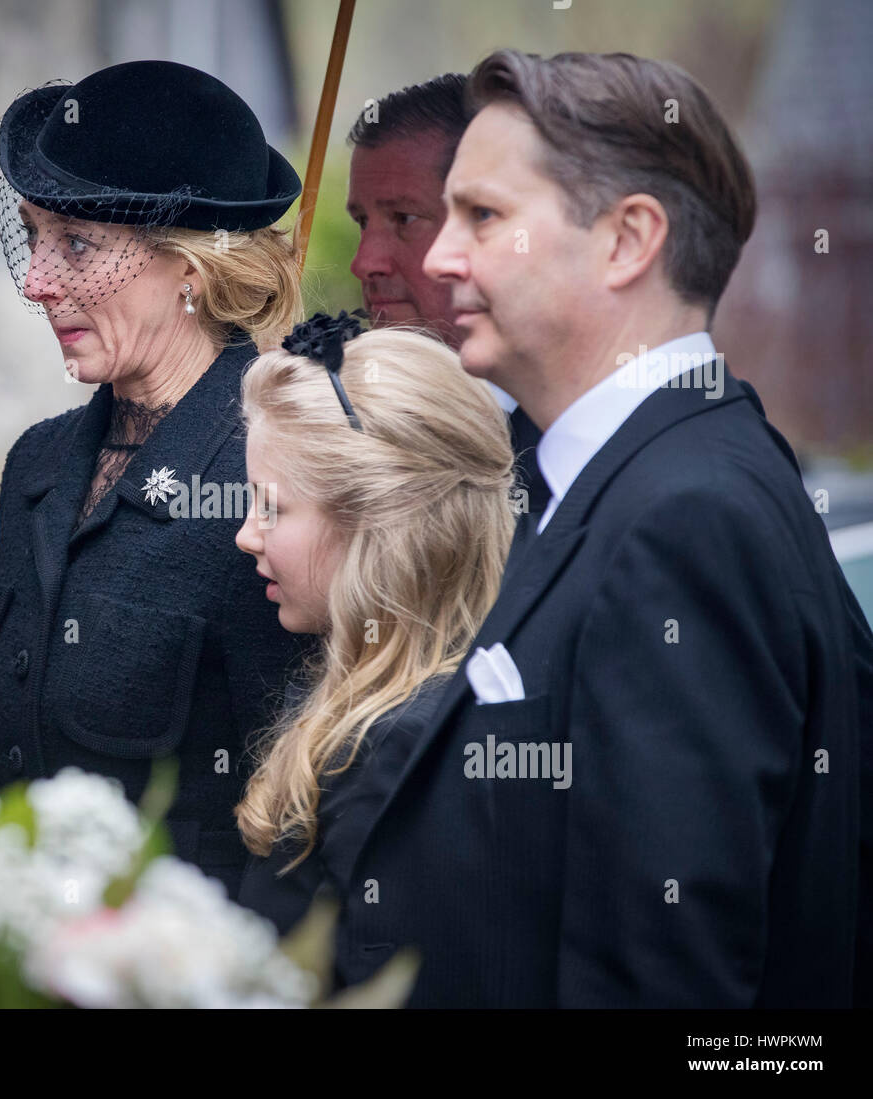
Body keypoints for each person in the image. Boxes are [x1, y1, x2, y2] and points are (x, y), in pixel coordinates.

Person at [314, 47, 863, 1007]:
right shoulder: (605, 471)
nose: (441, 256)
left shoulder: (685, 518)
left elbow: (664, 975)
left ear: (627, 240)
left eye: (483, 216)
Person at [0, 60, 318, 901]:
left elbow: (305, 816)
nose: (38, 280)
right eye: (33, 234)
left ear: (191, 266)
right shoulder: (37, 465)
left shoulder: (280, 472)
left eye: (76, 243)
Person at [233, 315, 515, 949]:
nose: (245, 534)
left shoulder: (399, 746)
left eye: (272, 505)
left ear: (376, 520)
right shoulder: (391, 703)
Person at [346, 75, 548, 514]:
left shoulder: (572, 455)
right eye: (362, 221)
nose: (363, 262)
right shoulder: (341, 424)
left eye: (404, 218)